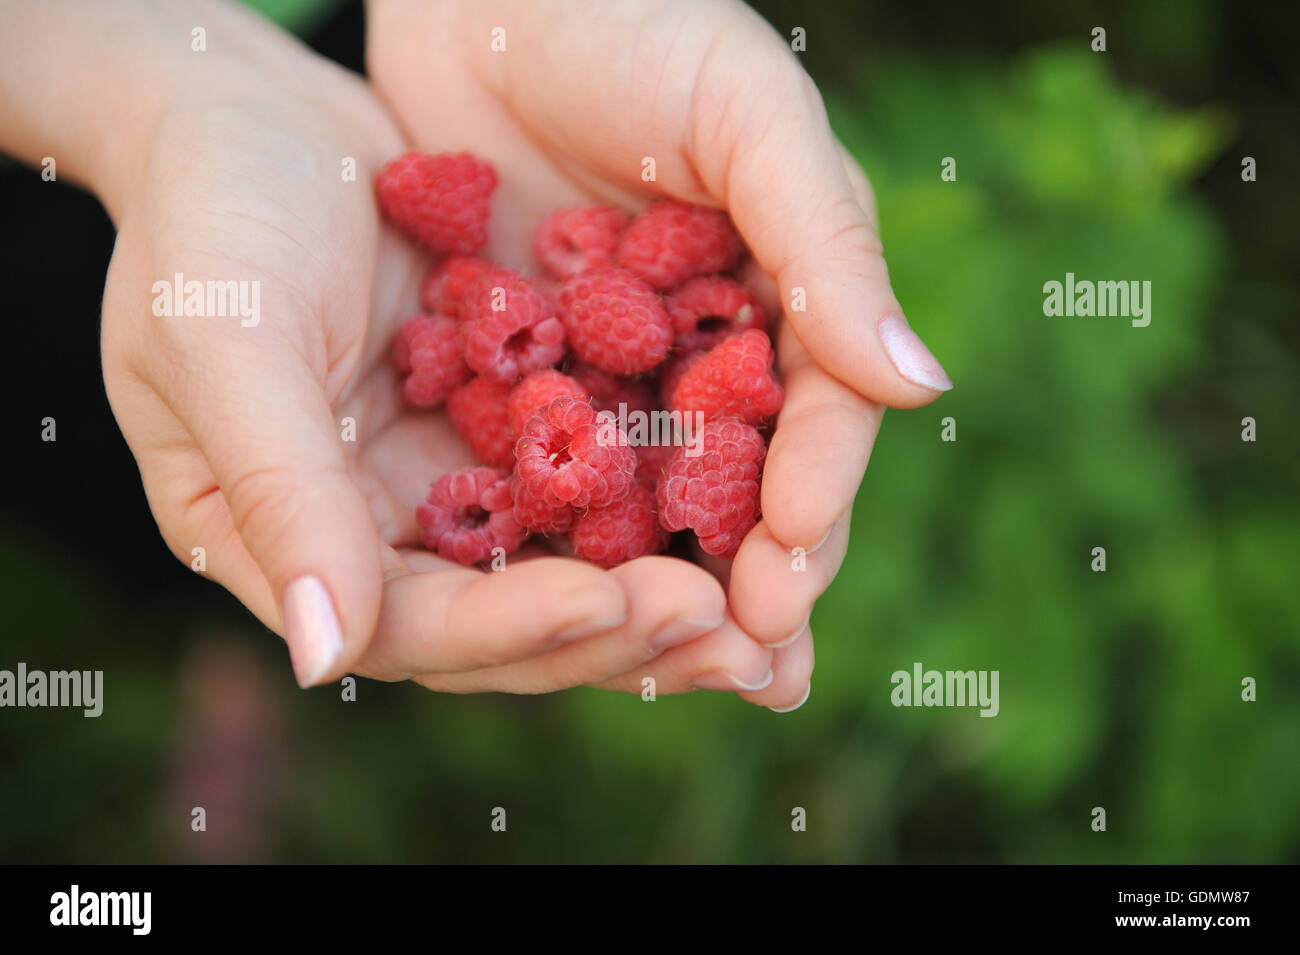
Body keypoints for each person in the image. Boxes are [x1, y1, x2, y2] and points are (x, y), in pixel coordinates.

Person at [0, 0, 951, 711]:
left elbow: (638, 355)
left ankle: (251, 640)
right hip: (167, 155)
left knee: (266, 495)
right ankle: (230, 644)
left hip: (362, 44)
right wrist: (145, 99)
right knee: (176, 461)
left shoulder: (597, 374)